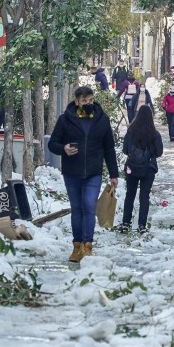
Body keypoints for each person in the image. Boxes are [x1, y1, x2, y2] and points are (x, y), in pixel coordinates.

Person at [48, 85, 119, 262]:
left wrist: (113, 173)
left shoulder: (102, 120)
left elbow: (109, 148)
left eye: (91, 100)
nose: (88, 103)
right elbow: (52, 143)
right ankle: (76, 246)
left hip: (93, 172)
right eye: (84, 100)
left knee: (88, 206)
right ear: (77, 101)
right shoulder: (65, 120)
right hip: (72, 172)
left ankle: (88, 246)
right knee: (77, 209)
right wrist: (63, 148)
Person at [119, 106, 163, 233]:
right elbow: (159, 152)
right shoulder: (154, 134)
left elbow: (125, 150)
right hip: (148, 169)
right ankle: (142, 225)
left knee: (130, 195)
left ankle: (126, 223)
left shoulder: (131, 131)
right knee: (144, 197)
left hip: (131, 168)